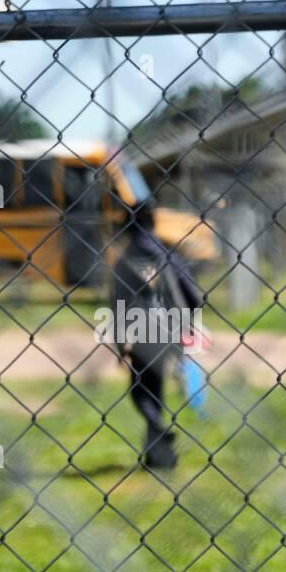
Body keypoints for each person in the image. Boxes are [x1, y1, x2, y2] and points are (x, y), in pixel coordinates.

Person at [110, 199, 203, 470]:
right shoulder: (167, 255)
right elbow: (193, 295)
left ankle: (157, 427)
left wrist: (121, 346)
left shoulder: (126, 259)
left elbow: (118, 306)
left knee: (140, 392)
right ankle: (160, 457)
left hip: (142, 332)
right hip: (169, 330)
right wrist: (185, 325)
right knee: (155, 390)